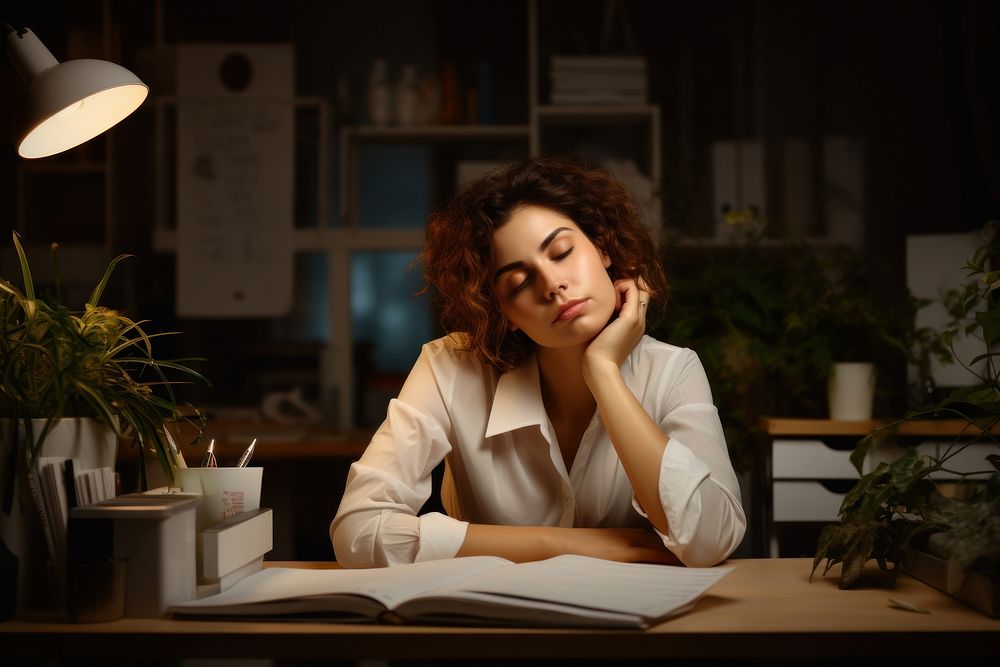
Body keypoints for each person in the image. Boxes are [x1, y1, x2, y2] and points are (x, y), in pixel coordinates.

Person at [331, 157, 745, 568]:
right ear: (501, 312)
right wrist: (565, 544)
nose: (551, 284)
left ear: (602, 248)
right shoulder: (450, 366)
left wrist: (603, 372)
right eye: (519, 281)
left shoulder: (673, 370)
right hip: (495, 627)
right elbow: (360, 532)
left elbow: (712, 540)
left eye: (562, 252)